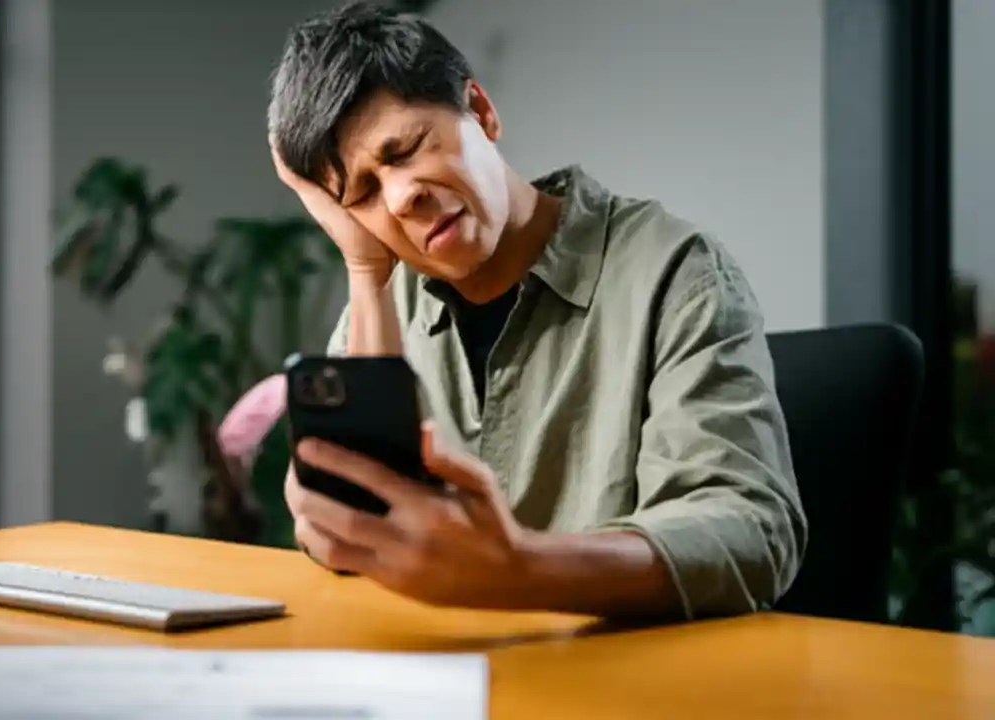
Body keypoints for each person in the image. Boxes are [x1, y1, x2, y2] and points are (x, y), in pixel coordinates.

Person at [266, 1, 806, 619]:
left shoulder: (675, 272)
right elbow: (353, 531)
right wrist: (365, 274)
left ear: (481, 112)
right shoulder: (384, 305)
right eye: (363, 194)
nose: (401, 197)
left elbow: (748, 527)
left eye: (408, 150)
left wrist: (521, 570)